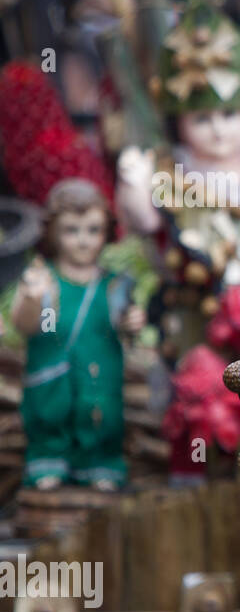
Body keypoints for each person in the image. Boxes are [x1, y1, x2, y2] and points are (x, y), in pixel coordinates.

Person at [12, 179, 144, 491]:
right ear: (53, 233)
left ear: (107, 232)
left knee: (101, 413)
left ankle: (100, 462)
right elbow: (35, 327)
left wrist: (132, 322)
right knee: (49, 414)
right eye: (71, 230)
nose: (83, 241)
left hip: (98, 371)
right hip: (51, 374)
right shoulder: (42, 278)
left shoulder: (114, 284)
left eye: (93, 230)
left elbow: (126, 327)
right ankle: (47, 461)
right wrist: (34, 300)